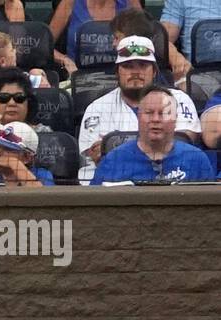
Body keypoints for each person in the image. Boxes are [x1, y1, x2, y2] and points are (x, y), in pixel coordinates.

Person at [78, 36, 200, 183]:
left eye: (142, 65)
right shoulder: (97, 108)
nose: (135, 72)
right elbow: (96, 156)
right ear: (117, 72)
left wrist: (114, 145)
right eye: (128, 66)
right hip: (114, 184)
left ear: (154, 71)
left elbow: (184, 141)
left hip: (172, 179)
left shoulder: (178, 99)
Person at [91, 85, 217, 183]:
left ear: (175, 119)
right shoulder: (113, 160)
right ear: (139, 117)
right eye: (149, 113)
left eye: (163, 113)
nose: (156, 119)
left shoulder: (197, 159)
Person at [50, 0, 138, 74]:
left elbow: (145, 41)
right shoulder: (70, 3)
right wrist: (65, 60)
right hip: (78, 76)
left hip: (121, 75)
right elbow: (45, 46)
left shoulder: (130, 2)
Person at [0, 121, 54, 186]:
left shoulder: (43, 175)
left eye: (7, 148)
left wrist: (14, 163)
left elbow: (41, 198)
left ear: (27, 158)